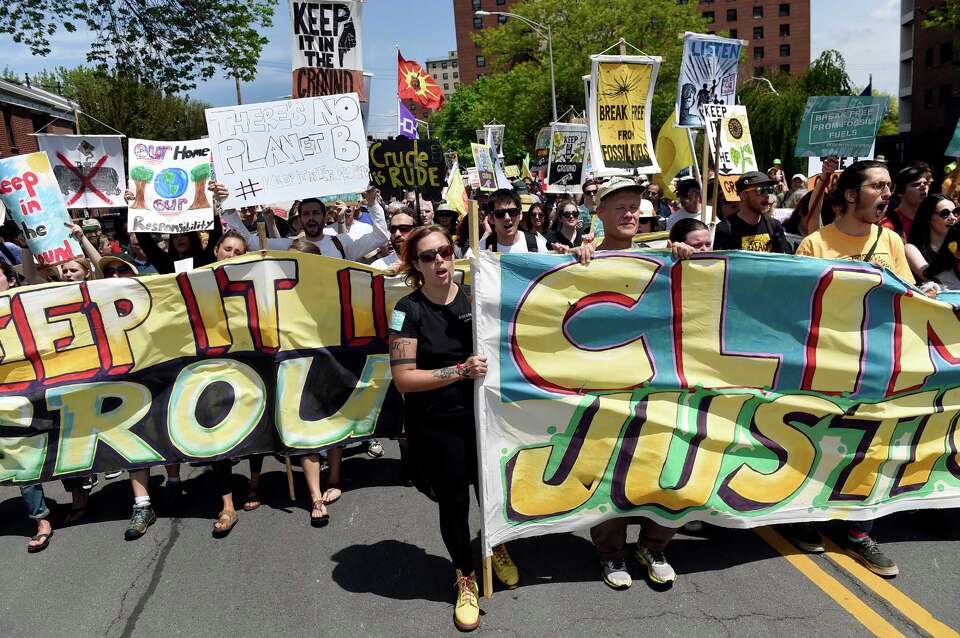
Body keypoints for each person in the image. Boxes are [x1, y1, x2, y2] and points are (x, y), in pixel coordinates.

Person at [389, 225, 518, 631]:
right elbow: (404, 379)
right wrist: (459, 371)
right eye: (428, 256)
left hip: (482, 417)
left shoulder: (476, 293)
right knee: (455, 503)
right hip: (436, 424)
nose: (440, 261)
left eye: (445, 251)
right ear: (416, 265)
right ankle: (465, 575)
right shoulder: (405, 311)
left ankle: (493, 546)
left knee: (491, 489)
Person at [795, 160, 912, 576]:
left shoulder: (892, 241)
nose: (887, 193)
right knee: (821, 440)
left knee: (873, 446)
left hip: (880, 363)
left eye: (889, 186)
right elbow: (801, 308)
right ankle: (806, 517)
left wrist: (926, 291)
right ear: (849, 195)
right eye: (878, 186)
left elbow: (907, 297)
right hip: (829, 362)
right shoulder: (814, 245)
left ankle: (859, 529)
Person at [566, 176, 682, 588]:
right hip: (605, 388)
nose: (631, 213)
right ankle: (611, 553)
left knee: (664, 468)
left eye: (636, 206)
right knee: (610, 470)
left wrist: (688, 258)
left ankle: (654, 545)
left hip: (658, 387)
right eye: (620, 207)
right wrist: (577, 258)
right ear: (598, 213)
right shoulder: (583, 260)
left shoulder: (664, 258)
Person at [223, 186, 387, 261]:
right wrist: (226, 205)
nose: (311, 218)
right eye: (306, 214)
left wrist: (372, 203)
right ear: (300, 220)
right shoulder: (288, 246)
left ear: (324, 218)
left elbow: (380, 237)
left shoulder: (341, 243)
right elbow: (250, 242)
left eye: (316, 213)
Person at [713, 172, 792, 254]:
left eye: (770, 189)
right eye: (760, 190)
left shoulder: (774, 226)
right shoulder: (725, 229)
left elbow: (783, 262)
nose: (767, 195)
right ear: (743, 195)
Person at [473, 189, 548, 254]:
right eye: (500, 213)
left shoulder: (537, 245)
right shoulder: (481, 249)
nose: (507, 218)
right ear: (491, 218)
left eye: (513, 212)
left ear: (520, 214)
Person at [904, 194, 957, 279]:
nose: (953, 217)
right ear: (927, 218)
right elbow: (934, 278)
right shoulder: (910, 248)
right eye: (945, 213)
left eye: (956, 212)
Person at [880, 162, 933, 241]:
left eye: (925, 183)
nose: (923, 187)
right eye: (916, 184)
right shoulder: (887, 226)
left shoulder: (932, 220)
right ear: (900, 192)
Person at [371, 208, 416, 273]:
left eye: (404, 228)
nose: (397, 234)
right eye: (393, 229)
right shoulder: (378, 267)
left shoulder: (430, 262)